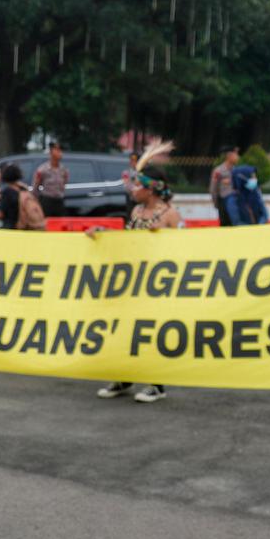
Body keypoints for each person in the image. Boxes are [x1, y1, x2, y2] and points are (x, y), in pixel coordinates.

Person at [93, 141, 183, 404]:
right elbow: (128, 240)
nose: (133, 189)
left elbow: (183, 250)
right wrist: (103, 234)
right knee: (124, 330)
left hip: (156, 284)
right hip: (131, 281)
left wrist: (161, 240)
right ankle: (124, 377)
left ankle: (156, 384)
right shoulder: (136, 211)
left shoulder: (170, 215)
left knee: (150, 332)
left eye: (138, 185)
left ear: (152, 189)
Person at [0, 163, 45, 230]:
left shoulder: (7, 192)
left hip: (12, 227)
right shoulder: (24, 189)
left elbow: (1, 214)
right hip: (26, 226)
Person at [32, 141, 69, 217]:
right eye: (57, 150)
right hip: (47, 201)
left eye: (60, 150)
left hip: (59, 201)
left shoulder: (64, 170)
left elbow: (64, 183)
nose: (60, 153)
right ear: (51, 152)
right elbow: (36, 186)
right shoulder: (42, 169)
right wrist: (35, 201)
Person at [209, 145, 240, 226]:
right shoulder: (219, 171)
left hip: (237, 203)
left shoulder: (237, 170)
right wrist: (216, 203)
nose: (238, 157)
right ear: (229, 156)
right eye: (236, 154)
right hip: (223, 203)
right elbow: (213, 188)